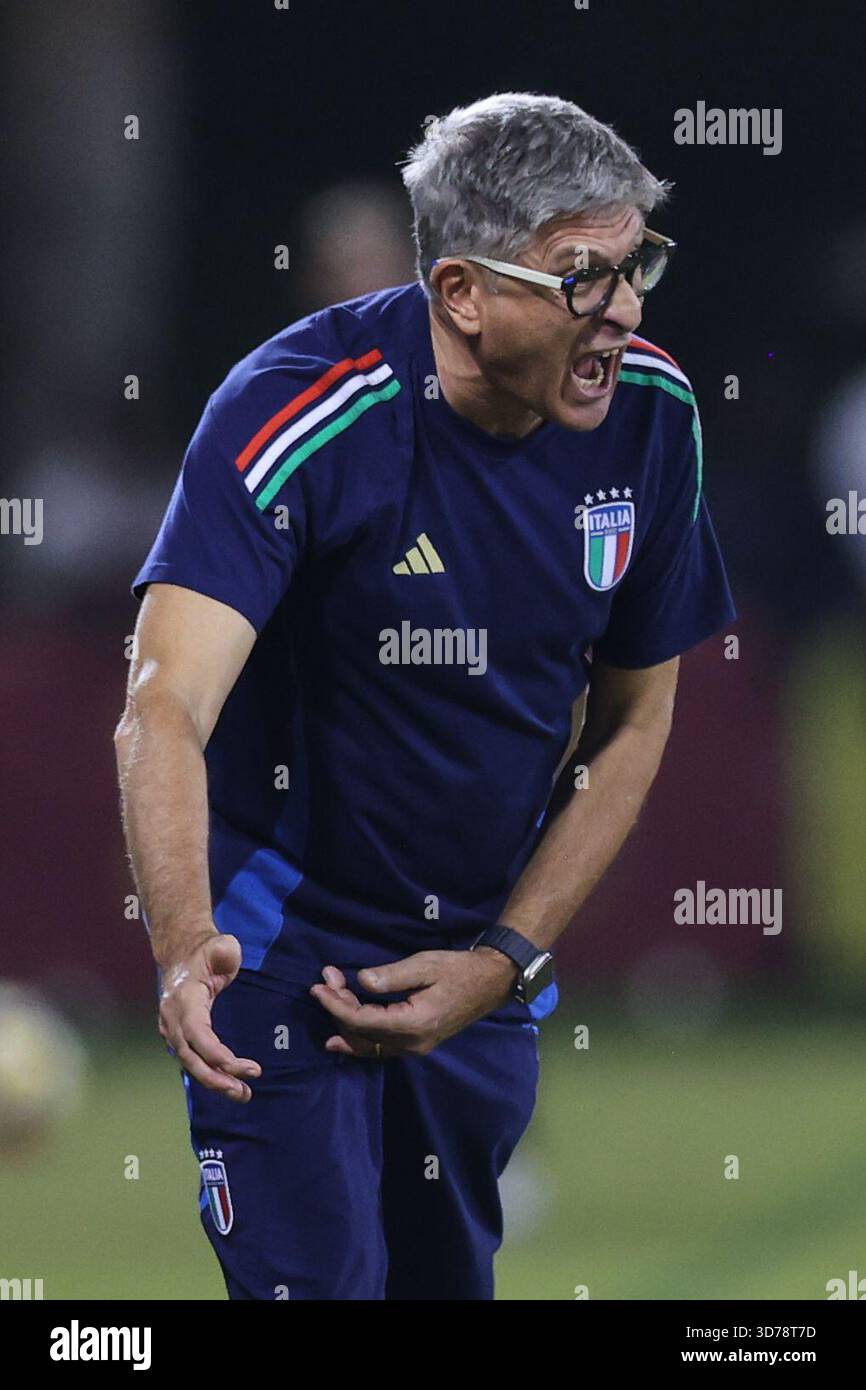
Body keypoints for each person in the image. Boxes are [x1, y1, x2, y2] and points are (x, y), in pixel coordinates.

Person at [114, 91, 736, 1300]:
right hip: (279, 956)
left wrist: (503, 958)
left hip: (473, 970)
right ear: (460, 292)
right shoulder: (292, 411)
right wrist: (188, 944)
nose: (622, 310)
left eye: (635, 265)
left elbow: (632, 723)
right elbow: (164, 705)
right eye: (581, 277)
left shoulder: (653, 416)